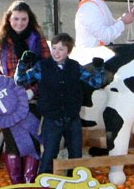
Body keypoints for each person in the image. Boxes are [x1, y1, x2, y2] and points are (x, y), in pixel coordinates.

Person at [15, 32, 83, 179]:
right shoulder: (42, 67)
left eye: (61, 49)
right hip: (52, 118)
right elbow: (20, 80)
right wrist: (22, 64)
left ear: (68, 51)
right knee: (50, 153)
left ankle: (76, 184)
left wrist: (99, 69)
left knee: (76, 154)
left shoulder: (75, 67)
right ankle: (43, 183)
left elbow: (96, 82)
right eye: (54, 48)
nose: (56, 52)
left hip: (72, 117)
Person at [0, 0, 45, 80]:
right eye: (16, 19)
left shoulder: (37, 38)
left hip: (32, 89)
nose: (19, 23)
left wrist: (32, 90)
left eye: (24, 19)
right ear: (9, 19)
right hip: (8, 89)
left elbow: (46, 65)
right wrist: (2, 81)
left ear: (29, 19)